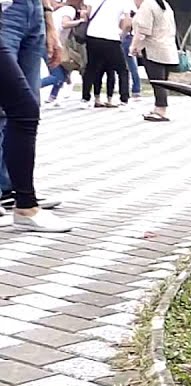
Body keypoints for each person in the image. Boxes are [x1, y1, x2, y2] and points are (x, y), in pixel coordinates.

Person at [0, 3, 70, 231]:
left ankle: (17, 195)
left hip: (32, 11)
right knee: (21, 109)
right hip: (6, 14)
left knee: (26, 110)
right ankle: (24, 203)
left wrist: (49, 21)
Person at [127, 0, 173, 120]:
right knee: (162, 81)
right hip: (166, 47)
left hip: (153, 49)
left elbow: (142, 31)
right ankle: (159, 107)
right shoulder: (164, 4)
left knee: (157, 81)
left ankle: (161, 110)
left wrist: (133, 46)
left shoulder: (147, 5)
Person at [81, 0, 131, 107]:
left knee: (91, 68)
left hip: (92, 35)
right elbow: (127, 22)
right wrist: (122, 35)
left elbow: (86, 15)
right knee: (122, 70)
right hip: (111, 37)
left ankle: (85, 98)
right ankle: (124, 99)